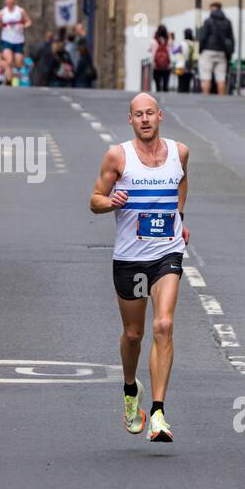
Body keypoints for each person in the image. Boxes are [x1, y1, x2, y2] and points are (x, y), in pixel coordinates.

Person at [89, 93, 189, 443]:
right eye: (138, 115)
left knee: (164, 324)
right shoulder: (118, 156)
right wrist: (110, 201)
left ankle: (159, 414)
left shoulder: (179, 152)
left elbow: (181, 182)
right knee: (134, 335)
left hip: (167, 253)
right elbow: (94, 200)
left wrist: (179, 218)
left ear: (160, 115)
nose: (145, 119)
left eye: (150, 113)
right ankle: (131, 390)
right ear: (130, 120)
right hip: (130, 258)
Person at [0, 0, 31, 83]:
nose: (10, 1)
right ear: (5, 0)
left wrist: (24, 25)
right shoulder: (2, 12)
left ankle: (15, 77)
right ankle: (9, 81)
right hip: (6, 39)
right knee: (9, 61)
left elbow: (28, 22)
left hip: (18, 40)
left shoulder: (20, 11)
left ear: (14, 0)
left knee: (18, 63)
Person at [197, 1, 234, 95]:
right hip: (222, 52)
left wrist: (200, 50)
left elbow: (203, 37)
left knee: (206, 78)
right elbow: (231, 38)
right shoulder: (227, 22)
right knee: (221, 79)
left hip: (208, 51)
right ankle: (222, 100)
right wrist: (229, 53)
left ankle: (205, 97)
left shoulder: (208, 21)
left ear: (212, 8)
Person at [149, 25, 172, 92]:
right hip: (167, 66)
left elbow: (151, 50)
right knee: (165, 85)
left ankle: (158, 98)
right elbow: (171, 51)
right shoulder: (168, 40)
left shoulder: (154, 41)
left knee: (157, 85)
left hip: (156, 66)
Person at [179, 28, 198, 94]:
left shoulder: (182, 43)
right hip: (190, 67)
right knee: (187, 84)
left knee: (181, 84)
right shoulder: (194, 44)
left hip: (181, 66)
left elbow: (174, 51)